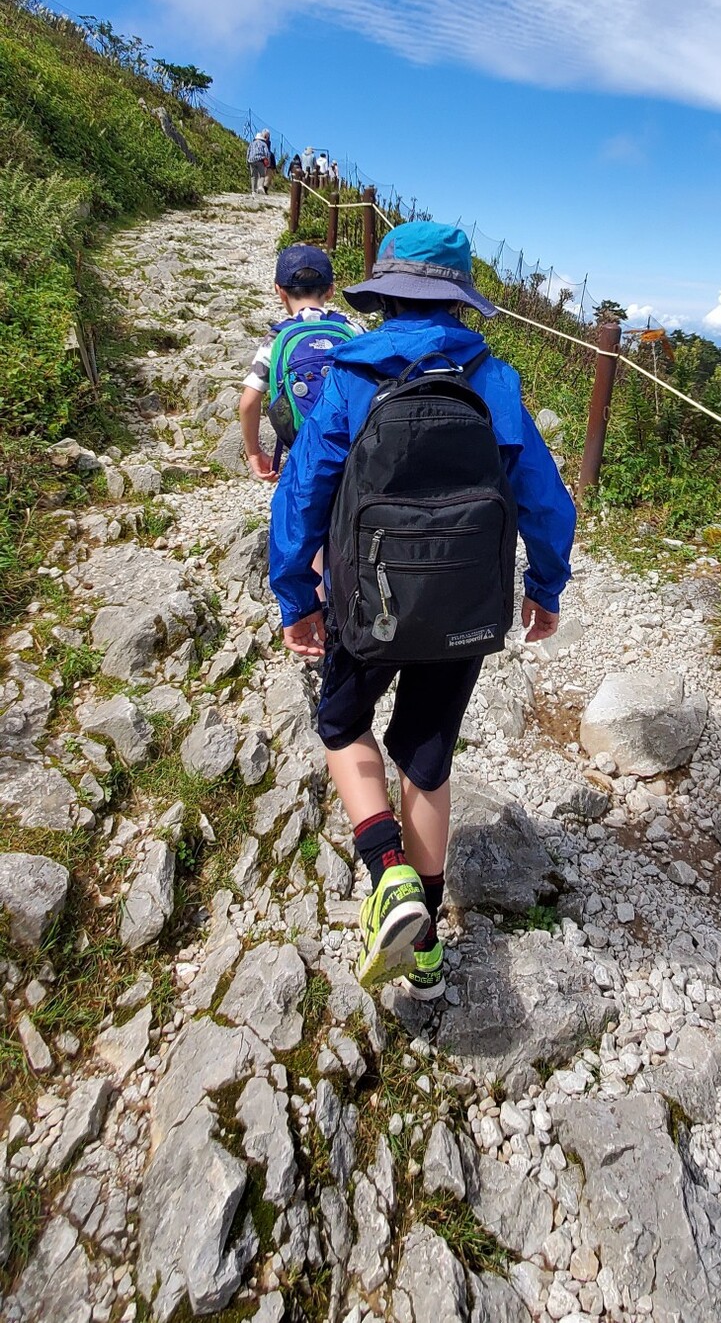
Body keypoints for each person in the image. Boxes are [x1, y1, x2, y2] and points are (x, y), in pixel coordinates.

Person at [269, 222, 575, 997]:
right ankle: (429, 949)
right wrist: (544, 587)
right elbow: (544, 498)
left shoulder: (348, 376)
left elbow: (302, 491)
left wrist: (295, 594)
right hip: (464, 609)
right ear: (457, 300)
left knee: (342, 725)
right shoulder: (493, 380)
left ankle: (387, 875)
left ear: (386, 296)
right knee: (429, 760)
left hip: (363, 601)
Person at [239, 244, 363, 482]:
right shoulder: (353, 330)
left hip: (303, 448)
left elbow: (248, 402)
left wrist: (253, 451)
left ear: (279, 291)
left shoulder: (276, 339)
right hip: (351, 444)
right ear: (330, 290)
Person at [246, 128, 272, 195]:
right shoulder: (263, 144)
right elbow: (267, 154)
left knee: (253, 176)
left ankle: (253, 191)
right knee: (262, 175)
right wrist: (268, 162)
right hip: (260, 160)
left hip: (251, 160)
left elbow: (248, 152)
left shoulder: (251, 144)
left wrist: (247, 161)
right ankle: (260, 187)